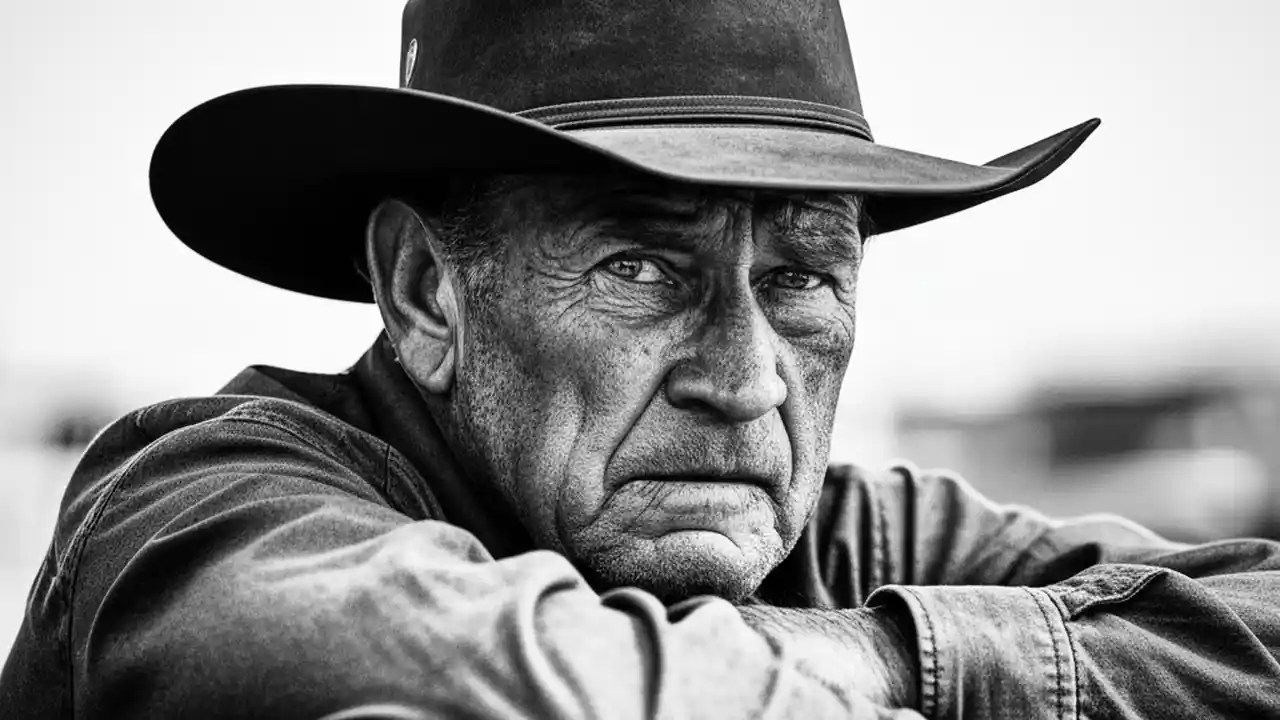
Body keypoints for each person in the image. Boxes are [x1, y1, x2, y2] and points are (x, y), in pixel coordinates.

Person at [3, 0, 1278, 717]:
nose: (747, 379)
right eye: (641, 270)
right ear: (424, 294)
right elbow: (391, 667)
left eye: (800, 281)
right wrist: (911, 667)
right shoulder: (207, 495)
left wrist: (887, 649)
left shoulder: (839, 537)